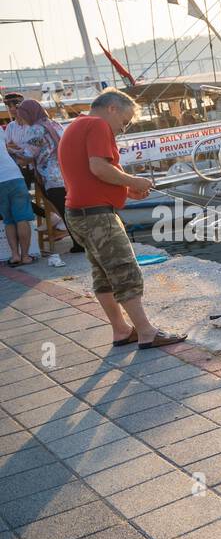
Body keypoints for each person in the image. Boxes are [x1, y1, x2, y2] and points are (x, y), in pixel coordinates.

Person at [57, 88, 185, 349]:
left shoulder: (77, 125)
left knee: (103, 274)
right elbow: (99, 167)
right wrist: (134, 180)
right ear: (112, 108)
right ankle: (147, 332)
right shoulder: (97, 125)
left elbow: (88, 173)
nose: (122, 129)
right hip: (96, 216)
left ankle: (121, 330)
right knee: (124, 270)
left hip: (78, 213)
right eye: (124, 122)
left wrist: (125, 190)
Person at [13, 99, 85, 258]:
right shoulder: (54, 124)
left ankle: (79, 244)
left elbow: (29, 153)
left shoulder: (36, 129)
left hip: (52, 177)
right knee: (72, 210)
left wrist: (11, 154)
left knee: (65, 212)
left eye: (23, 115)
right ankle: (81, 241)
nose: (22, 119)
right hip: (67, 173)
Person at [1, 140, 37, 266]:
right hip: (13, 176)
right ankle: (25, 256)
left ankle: (15, 255)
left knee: (8, 220)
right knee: (21, 218)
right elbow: (6, 147)